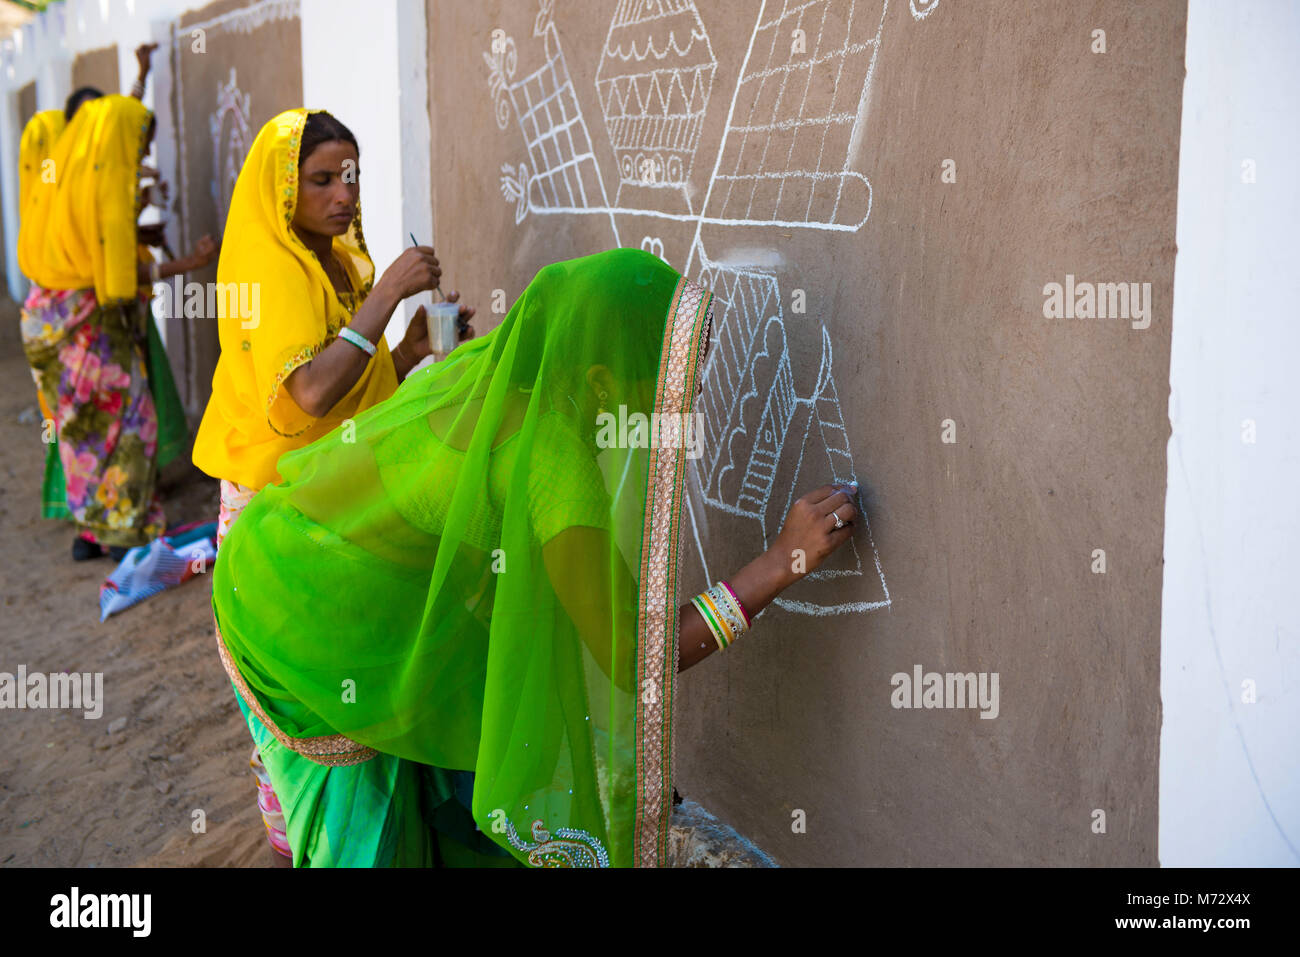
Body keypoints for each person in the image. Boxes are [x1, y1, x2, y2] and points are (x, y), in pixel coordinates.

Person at [210, 246, 862, 866]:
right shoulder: (556, 470)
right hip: (303, 626)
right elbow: (633, 655)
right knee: (365, 834)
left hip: (273, 551)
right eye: (674, 378)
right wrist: (779, 563)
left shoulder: (490, 370)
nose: (690, 400)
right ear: (605, 380)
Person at [191, 107, 474, 861]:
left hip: (333, 504)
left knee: (346, 689)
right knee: (304, 706)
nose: (342, 194)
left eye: (350, 175)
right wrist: (386, 298)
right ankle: (308, 840)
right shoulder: (270, 269)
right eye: (321, 179)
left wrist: (408, 350)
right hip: (277, 519)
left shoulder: (332, 260)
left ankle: (340, 837)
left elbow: (347, 385)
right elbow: (309, 396)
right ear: (284, 191)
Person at [17, 94, 217, 560]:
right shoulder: (101, 186)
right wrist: (193, 262)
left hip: (47, 321)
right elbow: (118, 274)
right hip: (88, 326)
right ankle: (126, 532)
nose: (142, 157)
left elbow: (96, 249)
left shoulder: (64, 180)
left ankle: (91, 532)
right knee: (129, 423)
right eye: (139, 146)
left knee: (79, 430)